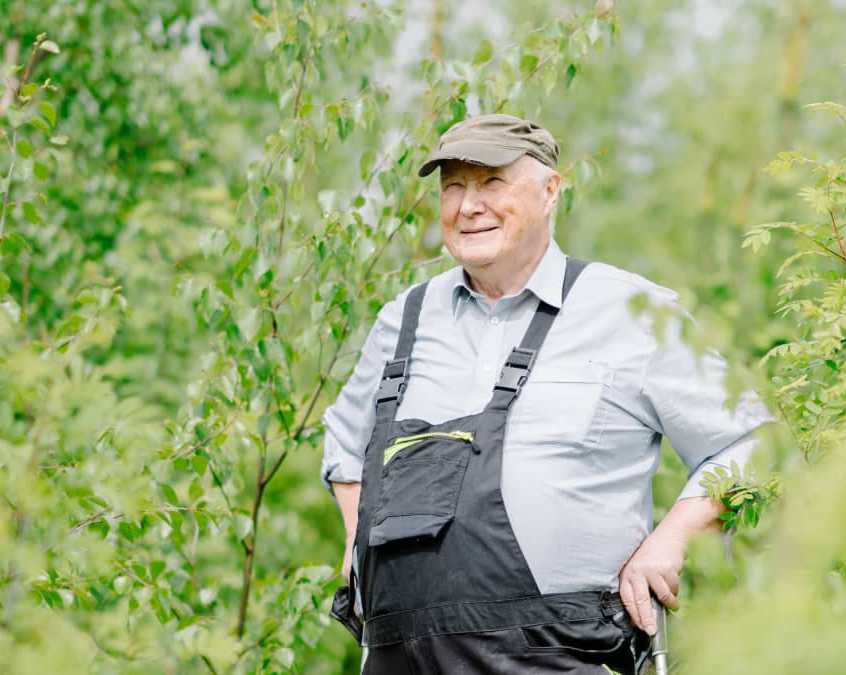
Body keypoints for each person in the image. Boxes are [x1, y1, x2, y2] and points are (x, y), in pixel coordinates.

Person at [321, 113, 770, 674]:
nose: (468, 205)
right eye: (453, 186)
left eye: (491, 182)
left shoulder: (630, 311)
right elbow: (343, 443)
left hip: (565, 653)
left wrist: (674, 537)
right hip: (397, 656)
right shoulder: (403, 320)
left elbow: (751, 443)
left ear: (551, 190)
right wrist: (357, 533)